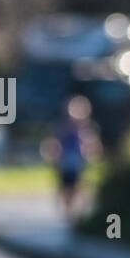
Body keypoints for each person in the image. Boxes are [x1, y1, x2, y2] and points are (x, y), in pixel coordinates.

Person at [43, 95, 101, 226]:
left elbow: (93, 146)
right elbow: (53, 144)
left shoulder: (87, 130)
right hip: (65, 164)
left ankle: (76, 212)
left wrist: (92, 154)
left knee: (77, 188)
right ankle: (69, 212)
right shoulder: (63, 128)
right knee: (66, 189)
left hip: (78, 165)